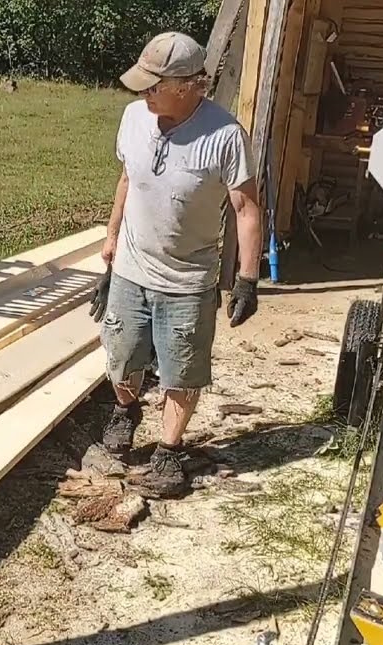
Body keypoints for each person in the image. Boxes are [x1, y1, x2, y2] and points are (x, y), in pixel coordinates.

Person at [89, 30, 264, 499]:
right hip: (130, 268)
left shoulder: (225, 136)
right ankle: (126, 412)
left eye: (153, 84)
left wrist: (248, 278)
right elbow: (127, 179)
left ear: (189, 85)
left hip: (187, 280)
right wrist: (110, 247)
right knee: (121, 357)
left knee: (181, 370)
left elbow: (246, 208)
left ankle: (168, 450)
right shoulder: (133, 118)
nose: (143, 92)